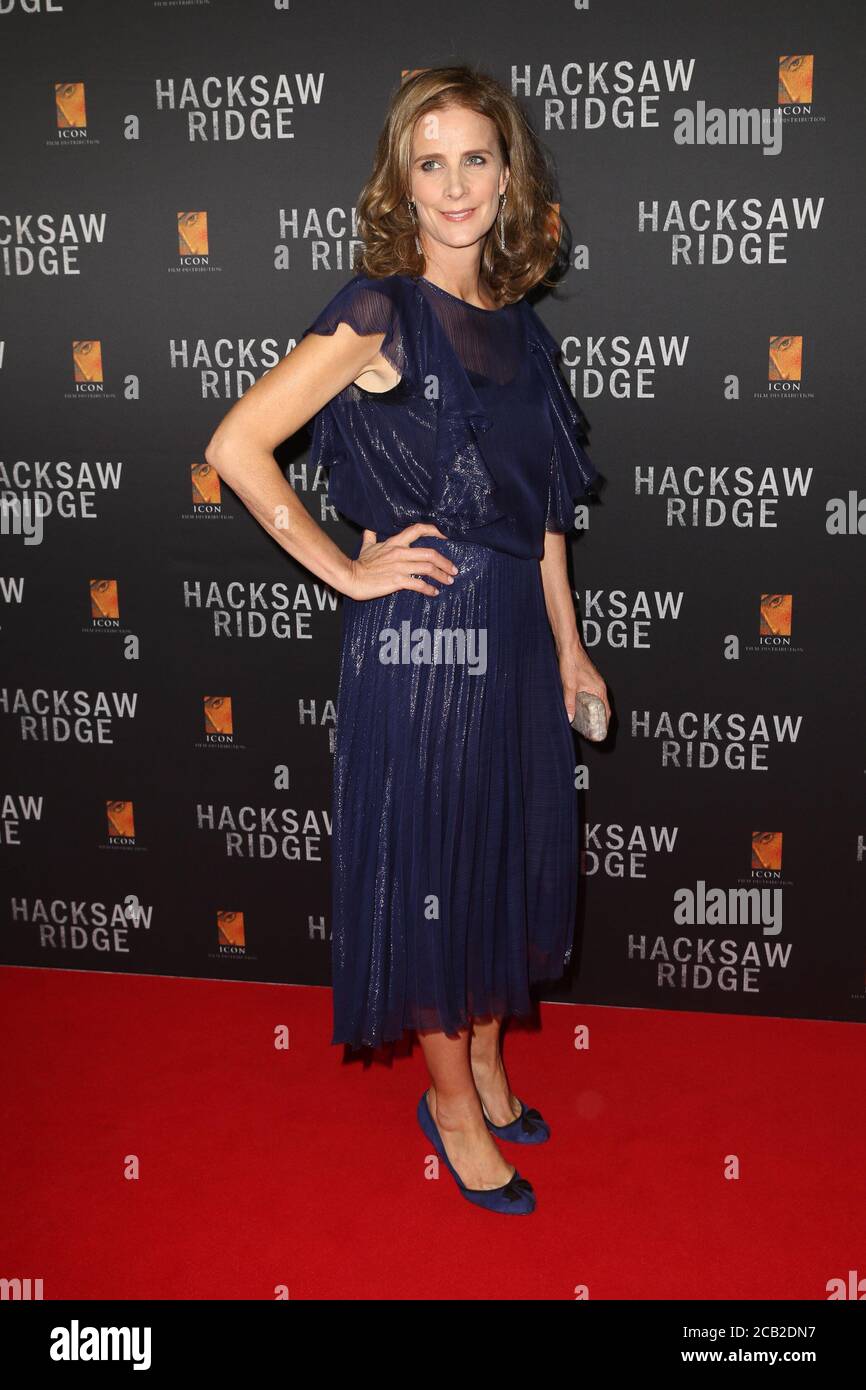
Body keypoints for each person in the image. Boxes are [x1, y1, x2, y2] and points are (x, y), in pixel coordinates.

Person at [205, 64, 610, 1216]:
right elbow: (238, 444)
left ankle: (482, 1061)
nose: (452, 184)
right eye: (427, 161)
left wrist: (570, 651)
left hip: (517, 647)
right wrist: (346, 567)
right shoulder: (378, 308)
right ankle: (441, 1101)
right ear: (399, 179)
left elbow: (537, 517)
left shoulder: (518, 329)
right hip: (423, 644)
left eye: (473, 157)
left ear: (506, 173)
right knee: (437, 868)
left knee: (493, 856)